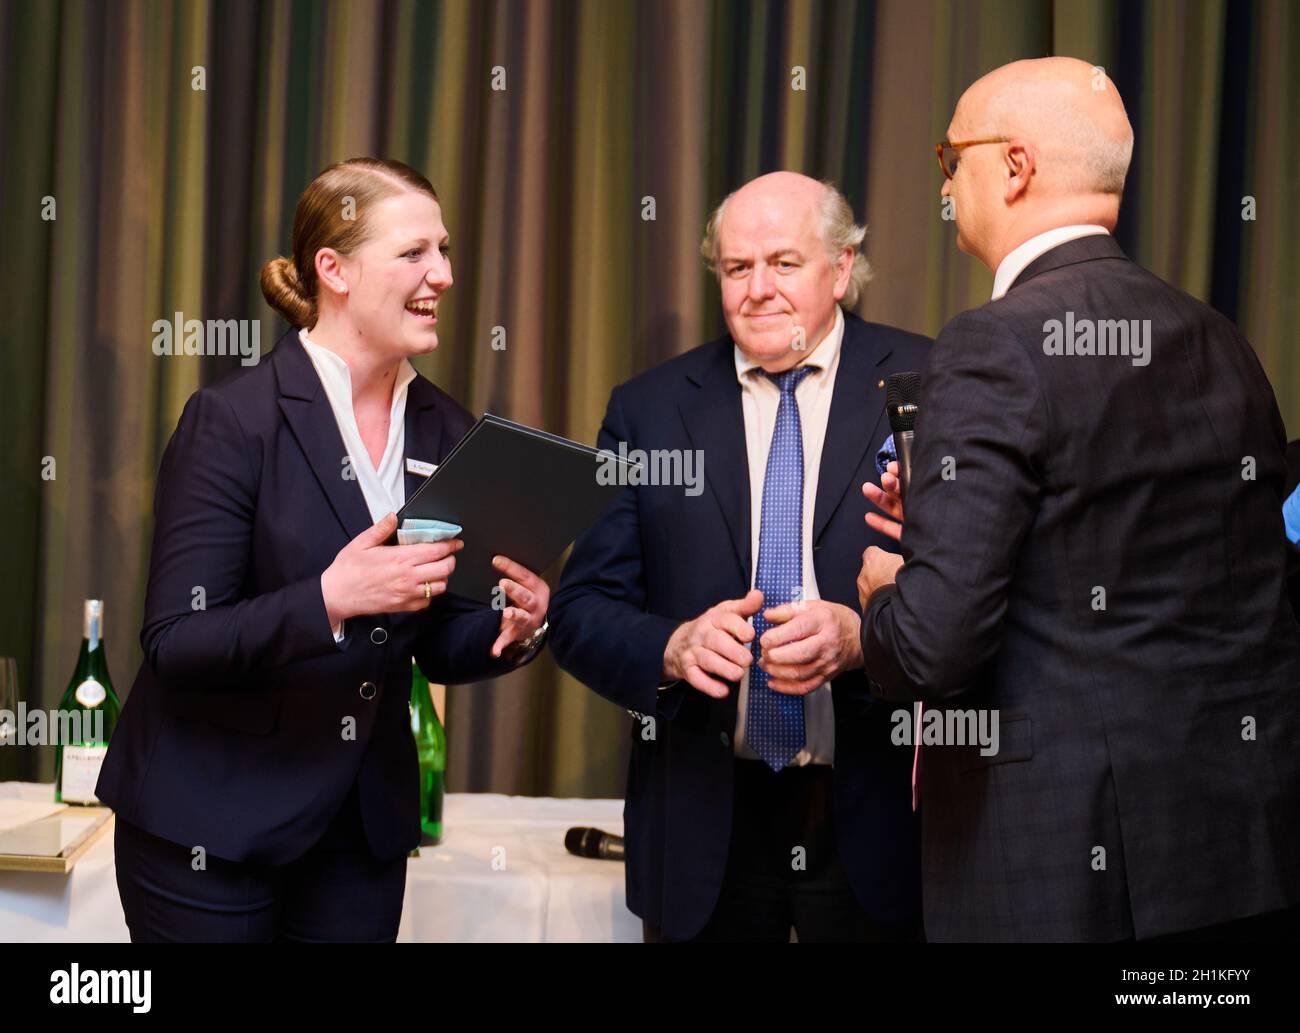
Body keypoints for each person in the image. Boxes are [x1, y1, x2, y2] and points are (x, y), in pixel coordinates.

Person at [857, 58, 1300, 942]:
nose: (947, 183)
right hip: (1233, 844)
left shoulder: (990, 345)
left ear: (1015, 167)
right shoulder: (1221, 339)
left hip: (1057, 861)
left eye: (953, 157)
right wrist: (952, 529)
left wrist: (886, 596)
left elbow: (934, 650)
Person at [97, 158, 551, 942]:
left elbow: (438, 637)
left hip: (359, 841)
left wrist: (515, 623)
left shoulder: (449, 429)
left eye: (443, 250)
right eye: (413, 253)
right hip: (212, 831)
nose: (441, 274)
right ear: (332, 269)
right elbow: (177, 640)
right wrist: (329, 598)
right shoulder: (233, 421)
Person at [550, 172, 929, 942]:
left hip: (879, 819)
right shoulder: (649, 411)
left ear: (843, 267)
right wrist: (672, 644)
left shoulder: (932, 384)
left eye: (784, 263)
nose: (758, 288)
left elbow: (984, 590)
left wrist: (865, 639)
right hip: (703, 825)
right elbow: (579, 610)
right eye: (736, 267)